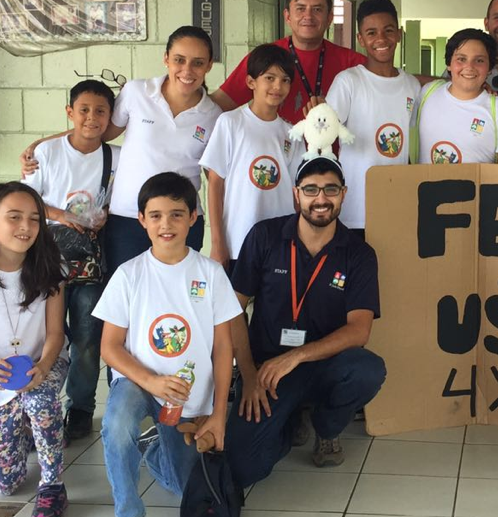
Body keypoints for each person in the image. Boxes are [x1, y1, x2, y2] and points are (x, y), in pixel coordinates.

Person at [224, 156, 386, 487]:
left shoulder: (358, 253)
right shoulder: (264, 237)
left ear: (343, 193)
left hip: (324, 365)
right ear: (297, 194)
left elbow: (360, 330)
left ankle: (326, 428)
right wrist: (250, 374)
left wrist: (297, 355)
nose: (321, 199)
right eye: (311, 189)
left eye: (330, 189)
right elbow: (230, 311)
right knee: (242, 467)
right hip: (267, 370)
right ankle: (287, 423)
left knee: (368, 369)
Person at [93, 172, 240, 517]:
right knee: (117, 426)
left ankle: (152, 447)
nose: (166, 224)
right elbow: (110, 348)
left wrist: (219, 415)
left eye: (176, 214)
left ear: (193, 217)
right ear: (141, 220)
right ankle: (128, 510)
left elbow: (223, 349)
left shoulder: (211, 273)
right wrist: (152, 381)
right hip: (139, 382)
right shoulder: (129, 274)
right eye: (155, 215)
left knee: (181, 485)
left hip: (188, 396)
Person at [21, 27, 222, 278]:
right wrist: (43, 144)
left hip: (182, 220)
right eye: (179, 60)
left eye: (198, 63)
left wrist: (218, 241)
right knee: (125, 302)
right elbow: (97, 132)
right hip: (127, 218)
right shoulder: (137, 92)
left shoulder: (214, 115)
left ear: (209, 65)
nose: (187, 70)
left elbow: (215, 179)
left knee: (175, 298)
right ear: (166, 58)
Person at [0, 182, 69, 517]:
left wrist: (43, 366)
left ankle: (53, 486)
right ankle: (29, 432)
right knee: (7, 484)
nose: (26, 227)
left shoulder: (52, 266)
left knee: (40, 400)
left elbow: (55, 334)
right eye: (15, 217)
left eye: (34, 219)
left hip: (45, 363)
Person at [22, 79, 120, 442]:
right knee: (41, 336)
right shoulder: (46, 152)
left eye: (100, 112)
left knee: (86, 336)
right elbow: (25, 201)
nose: (91, 118)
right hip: (46, 260)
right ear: (70, 113)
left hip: (90, 264)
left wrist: (105, 213)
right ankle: (36, 408)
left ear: (110, 117)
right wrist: (63, 216)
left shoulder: (116, 157)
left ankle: (79, 408)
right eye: (84, 110)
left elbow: (120, 202)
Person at [199, 44, 301, 274]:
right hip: (236, 242)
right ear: (251, 82)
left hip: (280, 244)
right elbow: (215, 184)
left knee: (273, 309)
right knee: (235, 309)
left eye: (285, 80)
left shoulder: (292, 133)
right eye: (270, 78)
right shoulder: (231, 123)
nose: (278, 86)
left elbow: (297, 193)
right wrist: (218, 243)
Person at [324, 0, 420, 238]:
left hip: (396, 207)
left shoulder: (411, 86)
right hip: (354, 210)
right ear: (360, 39)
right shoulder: (349, 81)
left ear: (398, 34)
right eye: (371, 32)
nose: (381, 39)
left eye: (388, 31)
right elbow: (322, 135)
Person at [211, 0, 365, 123]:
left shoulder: (353, 63)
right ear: (287, 16)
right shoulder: (265, 57)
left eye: (317, 9)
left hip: (333, 150)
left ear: (330, 18)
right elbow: (218, 105)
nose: (308, 16)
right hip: (275, 149)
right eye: (300, 8)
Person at [414, 28, 498, 165]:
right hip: (424, 186)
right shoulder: (427, 93)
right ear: (449, 64)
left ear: (489, 69)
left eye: (479, 60)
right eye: (461, 59)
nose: (469, 67)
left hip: (478, 187)